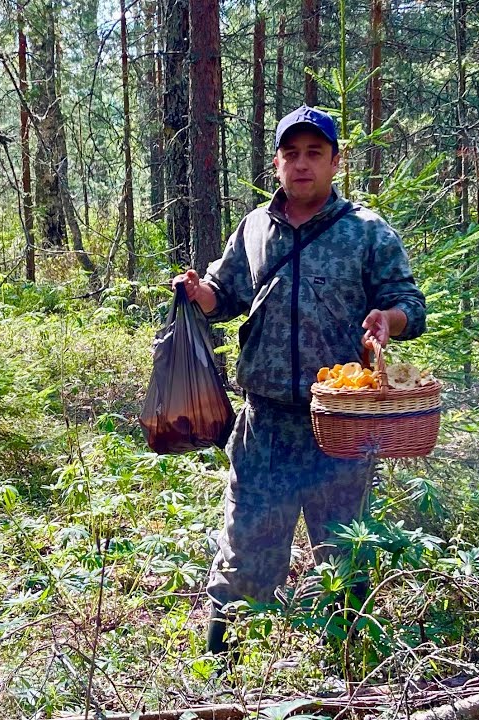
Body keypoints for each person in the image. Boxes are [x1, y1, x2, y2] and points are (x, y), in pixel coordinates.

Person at [171, 105, 427, 656]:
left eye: (315, 153)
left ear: (336, 162)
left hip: (340, 425)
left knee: (347, 553)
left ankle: (351, 667)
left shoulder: (366, 232)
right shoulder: (255, 228)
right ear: (277, 163)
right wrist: (199, 293)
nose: (302, 164)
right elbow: (226, 295)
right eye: (292, 154)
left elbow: (409, 302)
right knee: (245, 550)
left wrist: (390, 320)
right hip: (264, 424)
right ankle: (221, 672)